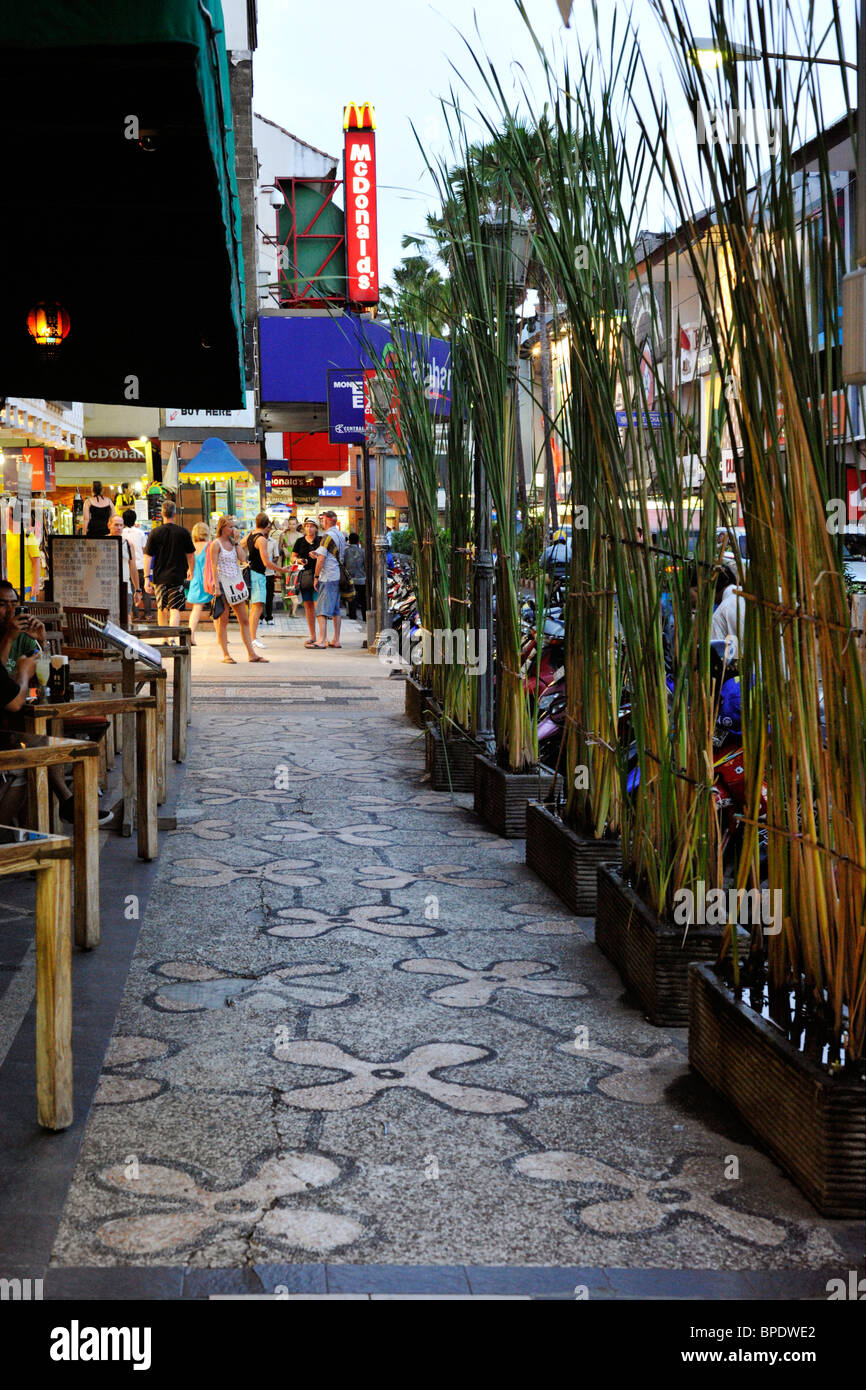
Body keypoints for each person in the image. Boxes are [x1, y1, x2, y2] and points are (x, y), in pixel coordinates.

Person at [206, 515, 266, 664]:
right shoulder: (216, 544)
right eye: (231, 526)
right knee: (223, 620)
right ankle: (226, 654)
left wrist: (237, 541)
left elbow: (243, 558)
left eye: (234, 526)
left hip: (236, 583)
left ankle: (251, 653)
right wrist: (216, 587)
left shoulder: (233, 544)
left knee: (244, 620)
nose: (234, 529)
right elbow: (213, 565)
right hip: (223, 584)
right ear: (223, 528)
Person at [143, 500, 195, 627]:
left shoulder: (155, 533)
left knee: (161, 608)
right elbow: (191, 555)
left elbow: (147, 556)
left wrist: (146, 578)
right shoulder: (183, 532)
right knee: (175, 608)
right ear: (175, 514)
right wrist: (191, 571)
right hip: (177, 575)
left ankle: (165, 638)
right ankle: (172, 637)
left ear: (162, 514)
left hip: (159, 576)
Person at [244, 513, 283, 647]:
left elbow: (239, 544)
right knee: (258, 606)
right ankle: (253, 638)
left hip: (253, 573)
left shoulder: (251, 535)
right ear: (267, 525)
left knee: (255, 606)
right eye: (269, 526)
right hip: (258, 574)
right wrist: (282, 570)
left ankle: (251, 637)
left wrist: (245, 561)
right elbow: (267, 562)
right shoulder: (261, 540)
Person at [311, 509, 346, 649]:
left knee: (321, 609)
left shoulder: (327, 536)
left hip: (327, 576)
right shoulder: (340, 535)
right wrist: (317, 554)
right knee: (336, 609)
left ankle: (321, 640)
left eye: (323, 520)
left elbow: (321, 559)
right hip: (337, 574)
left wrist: (316, 576)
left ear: (327, 520)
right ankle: (336, 639)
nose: (321, 522)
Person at [292, 517, 321, 647]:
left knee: (318, 606)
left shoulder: (320, 541)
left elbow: (325, 556)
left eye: (311, 526)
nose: (309, 528)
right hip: (304, 577)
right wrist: (298, 560)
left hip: (318, 576)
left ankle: (322, 636)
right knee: (308, 607)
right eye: (307, 526)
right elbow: (293, 556)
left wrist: (317, 555)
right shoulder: (299, 541)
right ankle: (312, 635)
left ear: (316, 528)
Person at [185, 522, 213, 647]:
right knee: (217, 608)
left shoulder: (192, 547)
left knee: (196, 610)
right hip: (210, 579)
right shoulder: (210, 546)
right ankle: (221, 635)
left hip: (196, 580)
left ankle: (191, 635)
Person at [108, 514, 142, 613]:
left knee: (127, 618)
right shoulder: (102, 542)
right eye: (116, 525)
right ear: (109, 525)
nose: (119, 528)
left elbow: (133, 568)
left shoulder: (128, 544)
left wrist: (138, 589)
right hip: (107, 588)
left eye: (121, 525)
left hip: (125, 588)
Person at [4, 514, 42, 598]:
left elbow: (36, 561)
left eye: (8, 516)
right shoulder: (5, 536)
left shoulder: (28, 535)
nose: (5, 519)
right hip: (9, 586)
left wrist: (35, 584)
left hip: (26, 587)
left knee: (27, 610)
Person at [122, 508, 146, 593]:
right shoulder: (140, 533)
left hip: (127, 566)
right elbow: (144, 550)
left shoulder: (121, 533)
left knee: (132, 591)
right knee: (144, 590)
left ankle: (134, 606)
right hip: (140, 565)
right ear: (135, 519)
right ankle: (147, 607)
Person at [344, 532, 366, 621]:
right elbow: (365, 564)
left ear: (349, 541)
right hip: (361, 579)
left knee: (351, 599)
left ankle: (353, 617)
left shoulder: (346, 551)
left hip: (350, 579)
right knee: (363, 600)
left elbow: (343, 564)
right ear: (358, 541)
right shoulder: (362, 551)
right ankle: (365, 618)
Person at [264, 523, 281, 624]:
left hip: (269, 572)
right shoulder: (257, 540)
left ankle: (269, 617)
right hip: (259, 572)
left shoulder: (273, 542)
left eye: (269, 527)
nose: (268, 529)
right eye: (266, 527)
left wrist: (271, 563)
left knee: (269, 595)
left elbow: (276, 556)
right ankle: (260, 616)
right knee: (259, 596)